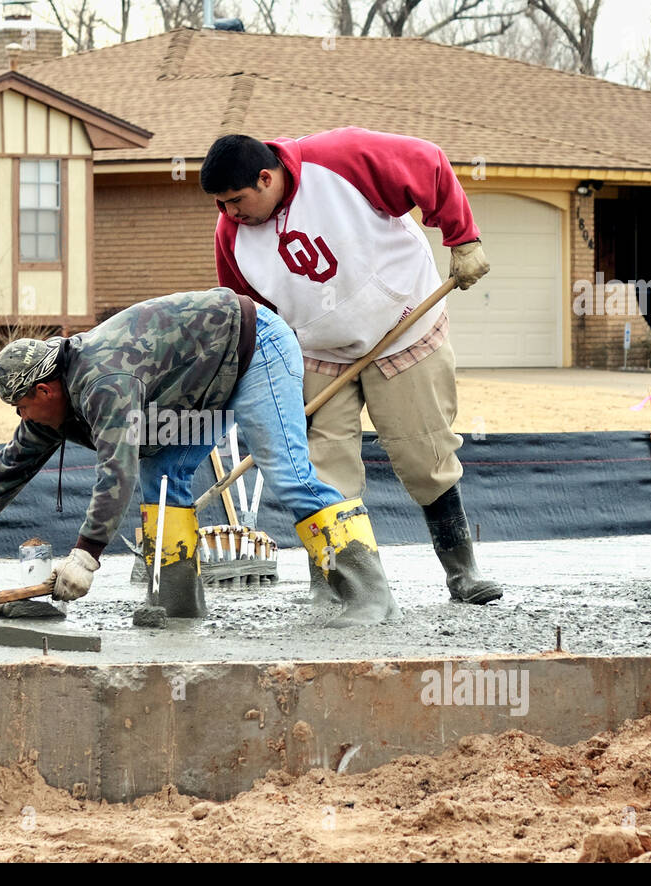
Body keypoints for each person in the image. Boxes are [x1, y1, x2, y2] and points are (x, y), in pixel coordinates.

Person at [0, 288, 398, 626]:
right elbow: (10, 467)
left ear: (43, 389)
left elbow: (114, 470)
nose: (22, 417)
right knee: (162, 476)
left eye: (21, 406)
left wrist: (85, 558)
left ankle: (369, 597)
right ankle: (177, 603)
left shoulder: (103, 383)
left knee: (288, 475)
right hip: (196, 381)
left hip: (253, 348)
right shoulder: (52, 403)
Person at [199, 128, 503, 605]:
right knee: (322, 471)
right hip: (317, 350)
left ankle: (462, 571)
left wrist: (462, 238)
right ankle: (339, 584)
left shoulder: (341, 159)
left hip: (404, 324)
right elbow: (250, 313)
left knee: (426, 457)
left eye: (236, 200)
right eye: (220, 204)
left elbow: (430, 165)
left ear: (265, 177)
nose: (230, 213)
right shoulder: (231, 236)